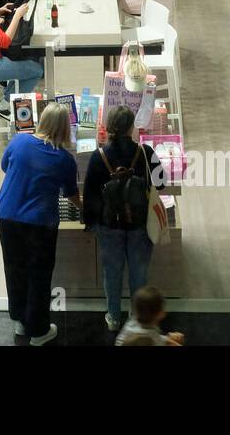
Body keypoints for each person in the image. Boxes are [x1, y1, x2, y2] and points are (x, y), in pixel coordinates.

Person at [0, 103, 80, 345]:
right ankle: (39, 330)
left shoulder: (19, 141)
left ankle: (20, 320)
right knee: (39, 275)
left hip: (7, 217)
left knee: (14, 269)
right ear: (64, 128)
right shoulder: (64, 160)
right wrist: (86, 210)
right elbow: (71, 194)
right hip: (39, 224)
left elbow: (5, 166)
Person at [82, 105, 165, 331]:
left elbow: (89, 194)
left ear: (109, 127)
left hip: (109, 225)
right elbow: (161, 183)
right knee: (139, 273)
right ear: (131, 127)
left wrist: (91, 224)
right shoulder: (145, 152)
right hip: (140, 225)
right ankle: (139, 318)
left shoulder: (99, 156)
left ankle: (114, 317)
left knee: (112, 272)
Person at [115, 286, 184, 346]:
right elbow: (154, 338)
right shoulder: (152, 340)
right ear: (160, 314)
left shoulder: (132, 322)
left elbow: (149, 334)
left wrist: (167, 338)